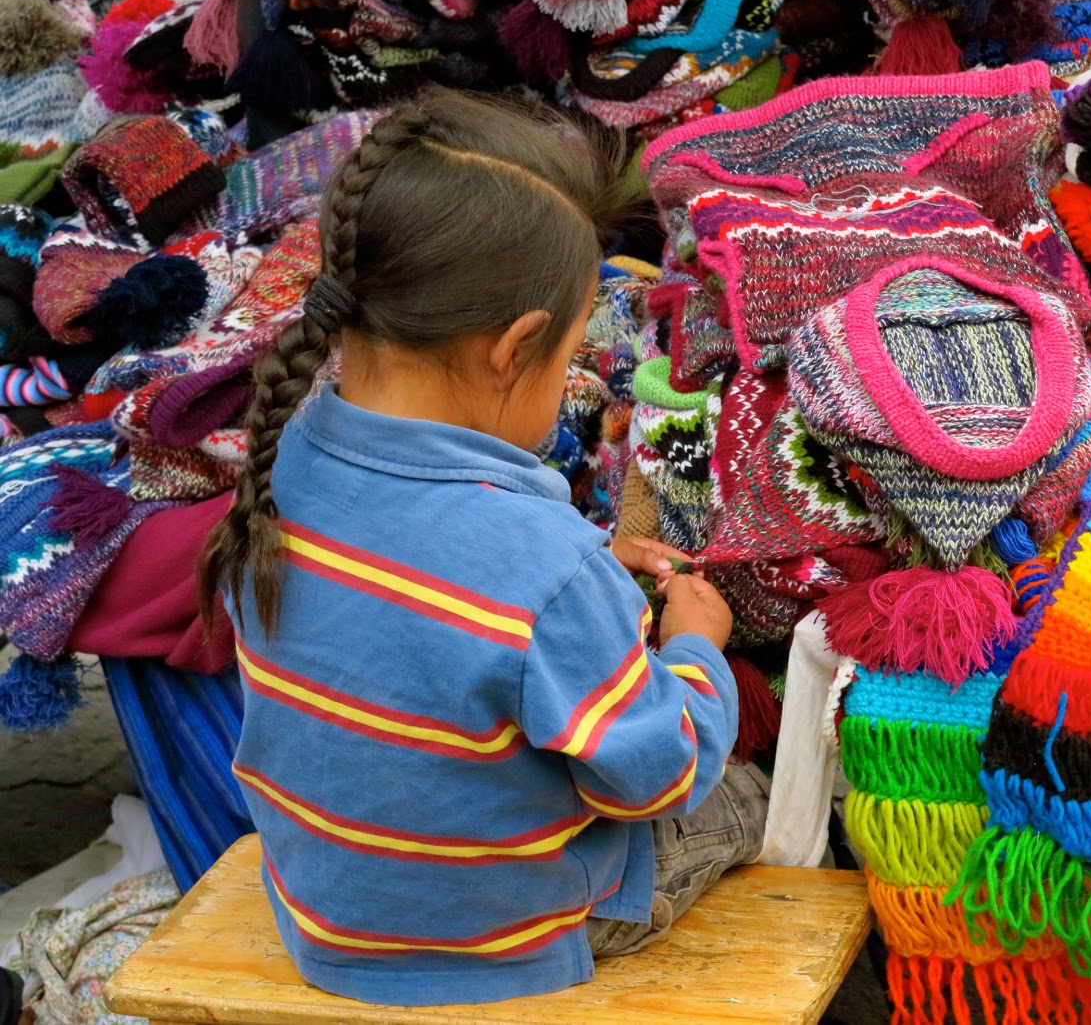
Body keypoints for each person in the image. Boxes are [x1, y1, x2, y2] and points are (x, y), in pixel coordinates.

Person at [197, 88, 765, 1008]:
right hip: (495, 937)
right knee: (740, 789)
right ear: (517, 348)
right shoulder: (548, 567)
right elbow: (654, 774)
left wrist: (581, 586)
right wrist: (694, 648)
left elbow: (430, 602)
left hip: (324, 903)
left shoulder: (289, 452)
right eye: (576, 346)